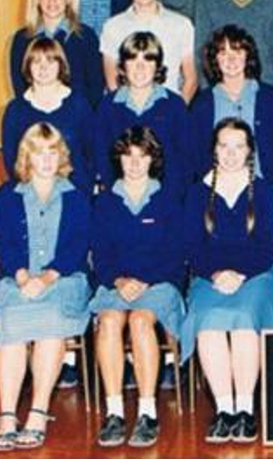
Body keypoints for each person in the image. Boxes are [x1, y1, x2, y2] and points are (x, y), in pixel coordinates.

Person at [0, 123, 91, 452]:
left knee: (50, 322)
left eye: (52, 151)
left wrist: (47, 278)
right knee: (13, 325)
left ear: (61, 155)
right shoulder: (7, 195)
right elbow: (4, 243)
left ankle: (37, 412)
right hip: (17, 278)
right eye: (38, 152)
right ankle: (6, 416)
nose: (46, 159)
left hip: (64, 280)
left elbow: (77, 246)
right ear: (26, 157)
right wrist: (22, 277)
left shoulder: (75, 196)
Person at [180, 118, 273, 444]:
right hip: (210, 276)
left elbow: (268, 245)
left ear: (250, 152)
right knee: (209, 322)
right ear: (214, 150)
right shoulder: (198, 192)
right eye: (224, 146)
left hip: (256, 275)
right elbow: (192, 245)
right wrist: (215, 274)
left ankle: (245, 410)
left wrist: (240, 274)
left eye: (238, 146)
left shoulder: (264, 192)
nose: (230, 154)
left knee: (243, 320)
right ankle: (224, 409)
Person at [89, 127, 187, 448]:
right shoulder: (104, 202)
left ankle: (148, 413)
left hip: (158, 283)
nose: (134, 163)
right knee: (109, 322)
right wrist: (119, 281)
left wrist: (145, 281)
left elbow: (177, 254)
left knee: (140, 321)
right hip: (116, 282)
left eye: (142, 156)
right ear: (119, 158)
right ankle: (115, 412)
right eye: (128, 156)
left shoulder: (169, 199)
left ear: (152, 159)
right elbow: (99, 254)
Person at [188, 25, 273, 185]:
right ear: (215, 59)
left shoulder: (271, 99)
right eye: (223, 53)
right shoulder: (202, 104)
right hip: (217, 192)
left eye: (237, 52)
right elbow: (196, 155)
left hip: (264, 190)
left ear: (248, 55)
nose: (231, 60)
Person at [92, 31, 188, 195]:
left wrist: (168, 196)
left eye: (147, 59)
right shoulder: (108, 106)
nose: (140, 67)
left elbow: (184, 158)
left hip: (166, 198)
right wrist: (116, 191)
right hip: (119, 197)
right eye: (132, 59)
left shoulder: (174, 105)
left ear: (158, 66)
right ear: (122, 66)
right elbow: (101, 156)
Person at [99, 0, 198, 102]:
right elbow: (112, 80)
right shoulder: (112, 27)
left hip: (168, 112)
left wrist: (177, 114)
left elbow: (191, 79)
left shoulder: (181, 25)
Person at [2, 38, 94, 192]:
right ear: (28, 66)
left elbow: (92, 154)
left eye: (50, 61)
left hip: (76, 192)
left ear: (61, 65)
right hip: (31, 193)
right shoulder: (15, 110)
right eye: (36, 62)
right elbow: (11, 161)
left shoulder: (79, 105)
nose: (43, 68)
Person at [8, 0, 104, 107]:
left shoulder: (85, 36)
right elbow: (19, 85)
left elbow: (95, 85)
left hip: (77, 116)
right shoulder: (22, 39)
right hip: (37, 119)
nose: (52, 0)